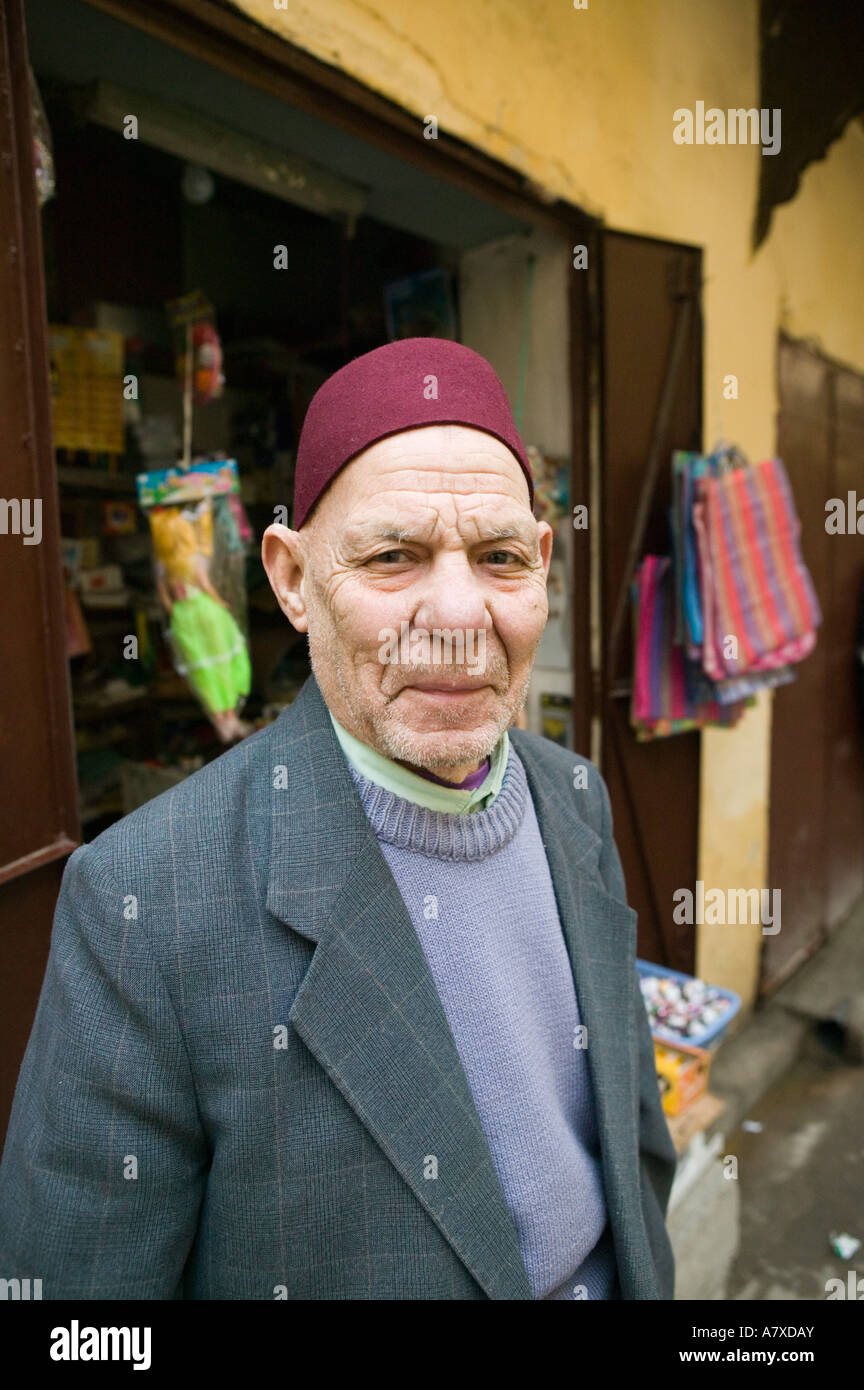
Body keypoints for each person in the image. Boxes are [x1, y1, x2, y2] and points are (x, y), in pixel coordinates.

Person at [0, 338, 676, 1299]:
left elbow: (633, 1136)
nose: (457, 614)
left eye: (498, 557)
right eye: (393, 556)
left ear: (544, 568)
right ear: (292, 580)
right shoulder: (146, 898)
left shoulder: (576, 797)